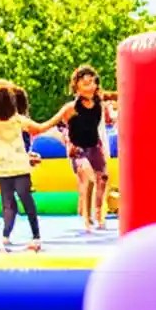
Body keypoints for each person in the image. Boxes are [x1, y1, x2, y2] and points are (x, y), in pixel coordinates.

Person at [0, 80, 51, 251]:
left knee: (9, 203)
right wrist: (61, 114)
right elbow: (40, 128)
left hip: (4, 168)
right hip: (15, 167)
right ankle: (30, 235)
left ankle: (10, 235)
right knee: (23, 199)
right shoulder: (15, 120)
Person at [44, 65, 117, 232]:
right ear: (76, 87)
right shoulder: (71, 108)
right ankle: (86, 217)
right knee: (88, 178)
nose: (90, 86)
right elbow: (50, 123)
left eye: (92, 82)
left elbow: (112, 107)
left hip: (94, 146)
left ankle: (98, 214)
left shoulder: (99, 102)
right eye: (85, 84)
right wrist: (34, 128)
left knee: (103, 177)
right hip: (78, 149)